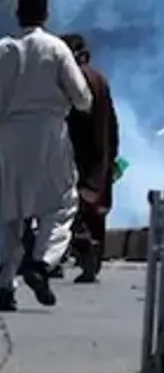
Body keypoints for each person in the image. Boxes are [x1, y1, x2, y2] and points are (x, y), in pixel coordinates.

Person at [0, 0, 92, 312]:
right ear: (45, 14)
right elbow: (82, 97)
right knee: (62, 202)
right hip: (48, 134)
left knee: (10, 211)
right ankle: (41, 263)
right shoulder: (56, 48)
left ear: (17, 13)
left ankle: (5, 287)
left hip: (9, 136)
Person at [60, 33, 119, 284]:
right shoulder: (101, 79)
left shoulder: (72, 81)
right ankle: (91, 263)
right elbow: (113, 122)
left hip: (77, 153)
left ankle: (83, 249)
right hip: (101, 154)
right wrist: (113, 153)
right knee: (97, 209)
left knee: (74, 206)